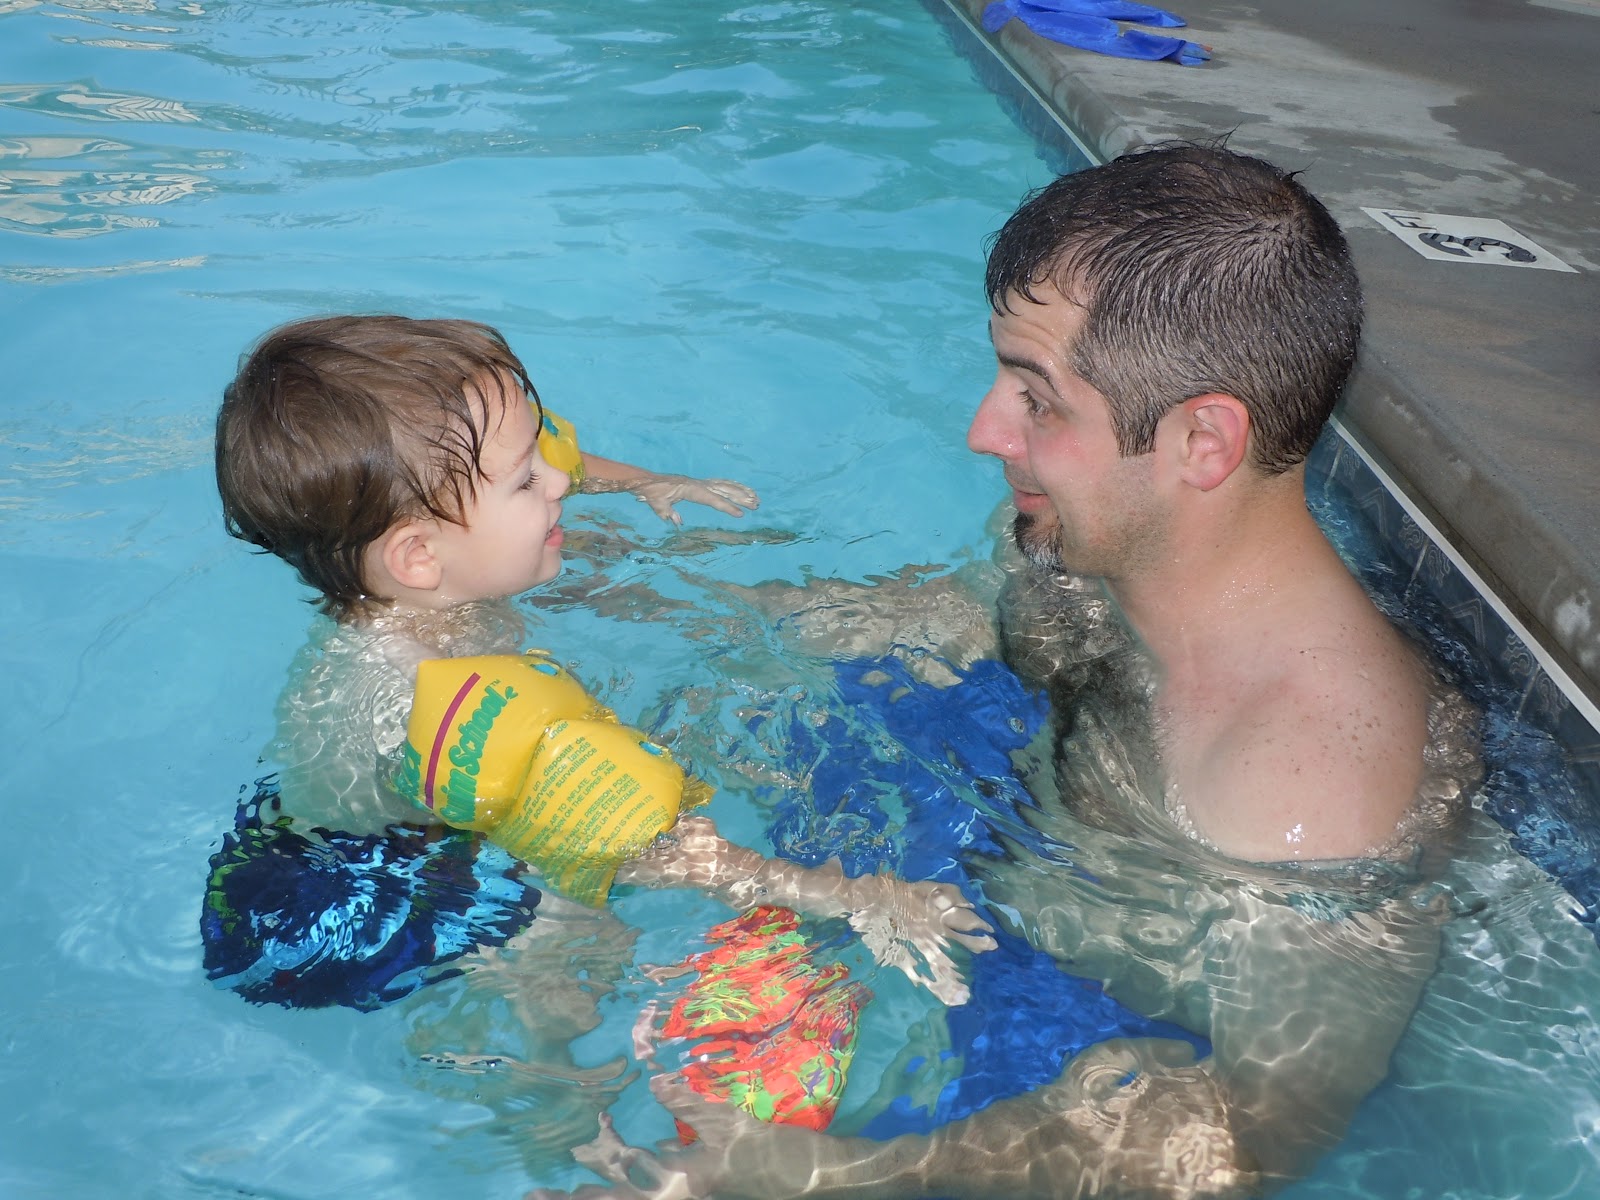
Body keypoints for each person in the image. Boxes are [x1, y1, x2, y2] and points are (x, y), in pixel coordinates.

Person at [529, 142, 1481, 1198]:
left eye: (1038, 401)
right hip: (989, 855)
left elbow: (1244, 1135)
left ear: (1201, 443)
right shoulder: (1089, 549)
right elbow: (938, 624)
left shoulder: (1301, 791)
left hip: (1076, 1027)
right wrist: (635, 592)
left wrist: (849, 1176)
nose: (985, 432)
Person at [212, 312, 996, 1008]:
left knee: (599, 558)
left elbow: (564, 468)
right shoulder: (426, 699)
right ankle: (564, 1113)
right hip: (358, 890)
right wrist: (855, 897)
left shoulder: (436, 578)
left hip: (380, 804)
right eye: (526, 481)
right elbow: (654, 855)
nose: (557, 479)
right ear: (419, 555)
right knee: (583, 941)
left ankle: (841, 617)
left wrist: (651, 482)